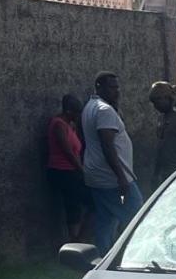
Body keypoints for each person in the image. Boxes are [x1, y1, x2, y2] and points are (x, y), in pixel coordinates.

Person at [82, 72, 143, 256]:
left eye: (117, 87)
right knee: (137, 214)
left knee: (106, 218)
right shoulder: (104, 111)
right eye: (112, 87)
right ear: (99, 87)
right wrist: (121, 177)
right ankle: (137, 256)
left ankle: (103, 257)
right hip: (112, 179)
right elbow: (107, 146)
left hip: (97, 175)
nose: (117, 91)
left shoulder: (90, 107)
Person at [47, 94, 88, 241]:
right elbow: (68, 152)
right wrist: (82, 170)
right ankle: (75, 240)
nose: (79, 116)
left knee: (81, 204)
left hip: (72, 170)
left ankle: (79, 238)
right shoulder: (58, 124)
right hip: (62, 171)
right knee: (74, 205)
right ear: (69, 111)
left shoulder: (71, 125)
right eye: (77, 112)